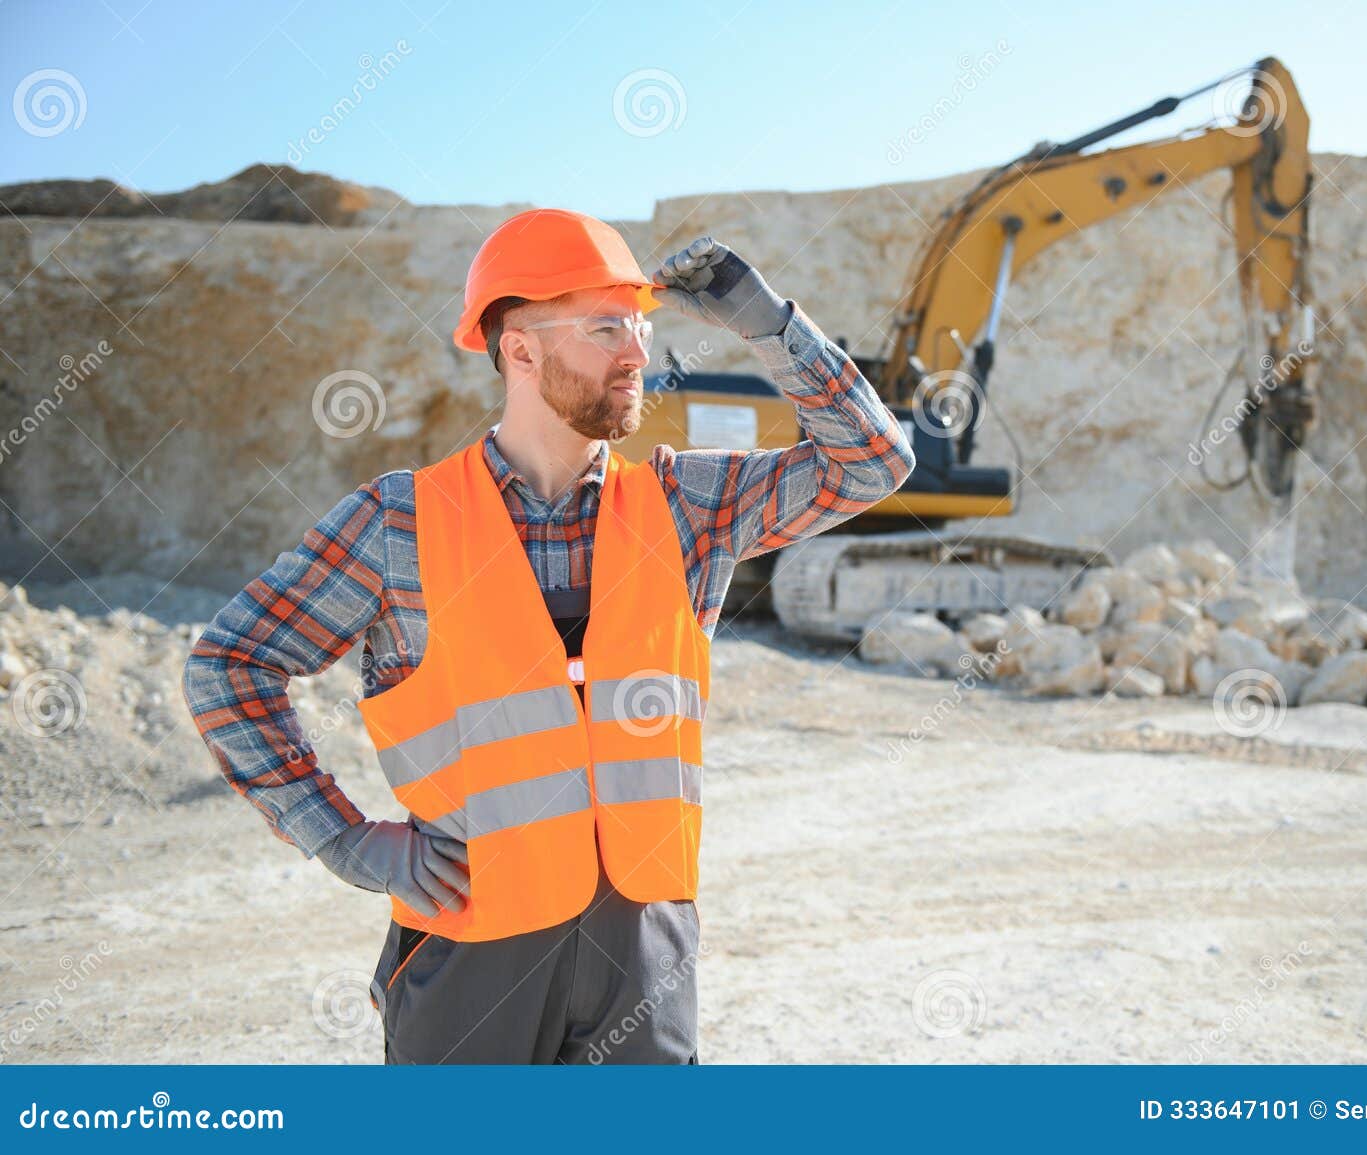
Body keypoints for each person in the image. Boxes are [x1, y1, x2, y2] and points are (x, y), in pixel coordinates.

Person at [182, 208, 915, 1064]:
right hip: (472, 949)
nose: (638, 352)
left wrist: (769, 323)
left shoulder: (685, 509)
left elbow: (872, 463)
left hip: (645, 950)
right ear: (521, 351)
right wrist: (344, 837)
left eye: (639, 325)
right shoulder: (398, 523)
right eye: (607, 327)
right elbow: (231, 665)